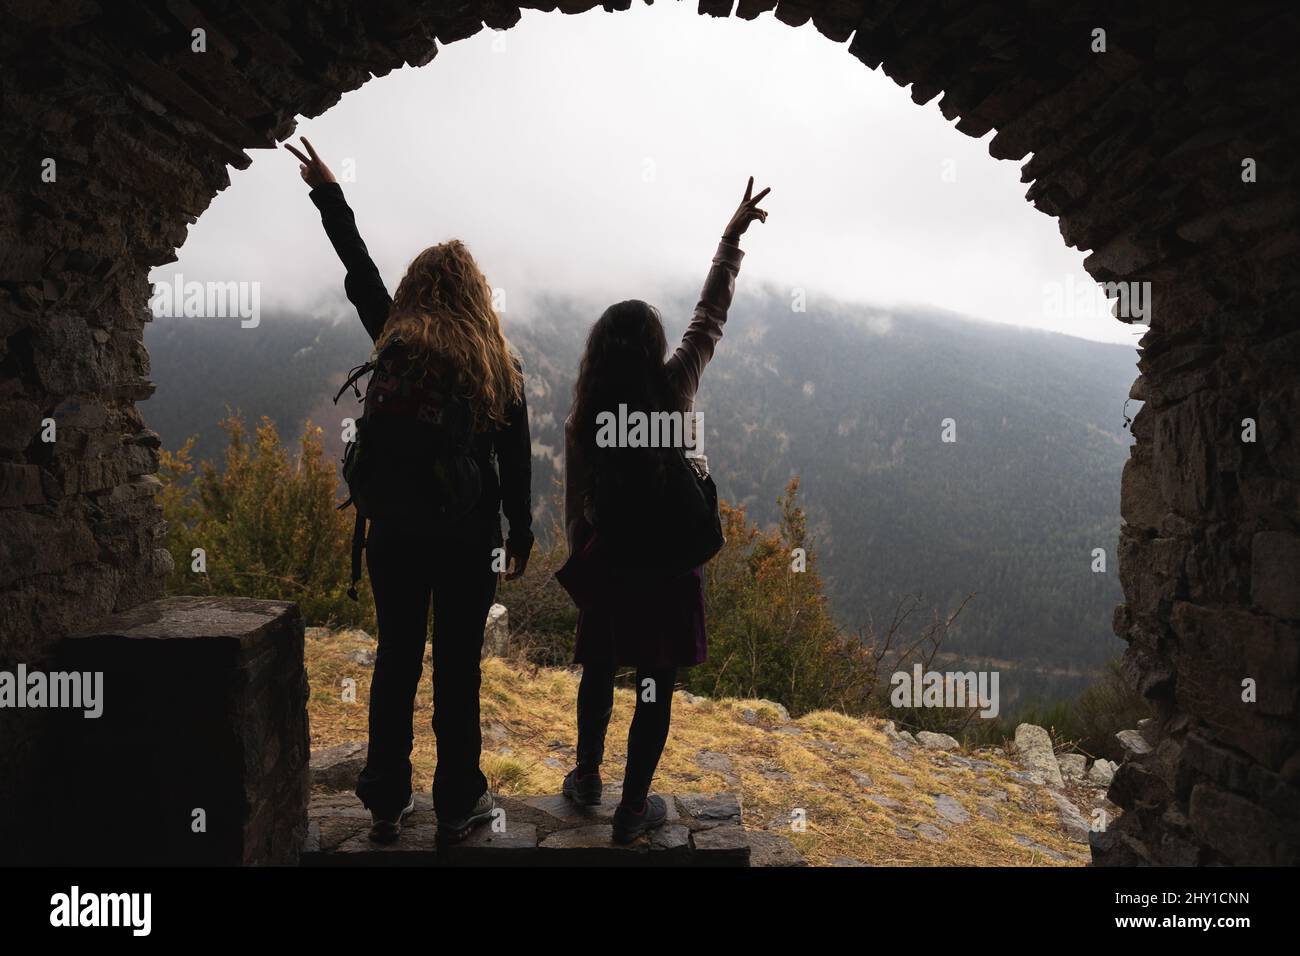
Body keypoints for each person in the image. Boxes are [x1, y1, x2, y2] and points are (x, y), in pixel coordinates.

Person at [286, 138, 533, 846]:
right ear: (476, 293)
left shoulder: (395, 335)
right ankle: (457, 802)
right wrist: (520, 536)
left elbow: (358, 268)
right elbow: (516, 462)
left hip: (392, 530)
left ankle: (386, 802)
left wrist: (328, 194)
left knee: (396, 660)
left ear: (418, 288)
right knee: (458, 671)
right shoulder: (496, 362)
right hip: (466, 537)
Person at [561, 177, 770, 843]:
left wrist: (580, 561)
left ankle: (587, 776)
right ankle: (632, 809)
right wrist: (731, 241)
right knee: (655, 682)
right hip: (671, 563)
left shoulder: (587, 415)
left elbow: (576, 505)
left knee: (598, 668)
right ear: (652, 349)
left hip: (611, 557)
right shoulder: (674, 386)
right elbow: (708, 318)